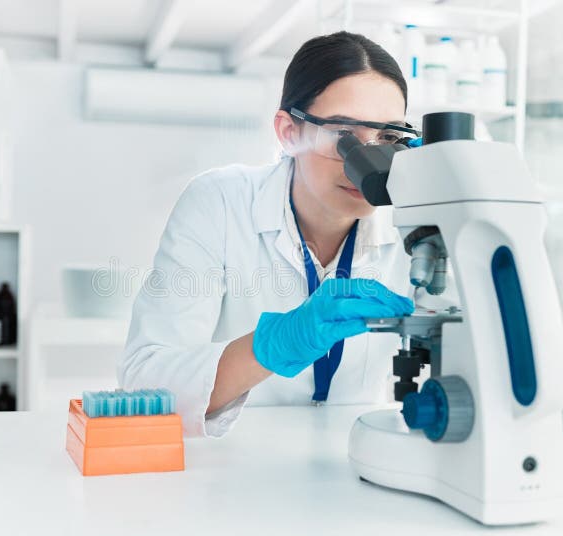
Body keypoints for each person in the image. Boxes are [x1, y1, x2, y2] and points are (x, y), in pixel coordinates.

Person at [120, 31, 426, 437]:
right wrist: (272, 346)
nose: (369, 162)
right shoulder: (220, 202)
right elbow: (145, 385)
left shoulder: (419, 221)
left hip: (353, 462)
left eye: (387, 138)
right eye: (344, 136)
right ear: (289, 132)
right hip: (233, 468)